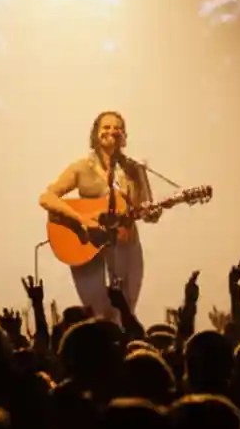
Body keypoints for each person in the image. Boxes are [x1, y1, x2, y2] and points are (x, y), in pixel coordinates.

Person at [39, 111, 160, 321]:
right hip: (89, 247)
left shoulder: (133, 169)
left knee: (125, 311)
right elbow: (47, 197)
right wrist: (81, 219)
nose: (112, 131)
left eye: (118, 127)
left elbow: (147, 211)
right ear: (95, 133)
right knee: (95, 313)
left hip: (125, 244)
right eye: (106, 127)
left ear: (124, 136)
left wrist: (152, 209)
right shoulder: (81, 168)